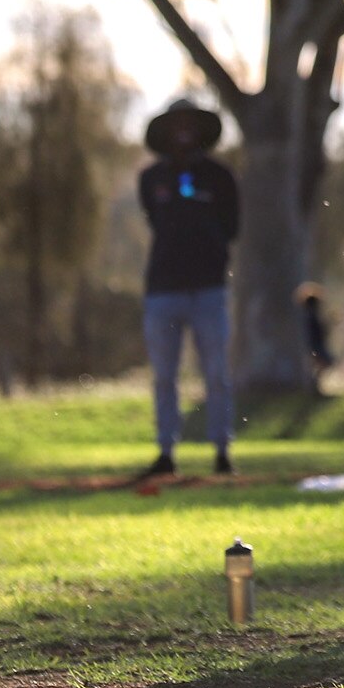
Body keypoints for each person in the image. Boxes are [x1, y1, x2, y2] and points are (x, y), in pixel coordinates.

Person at [135, 99, 240, 481]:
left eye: (189, 123)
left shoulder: (220, 177)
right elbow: (154, 219)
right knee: (164, 376)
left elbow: (231, 227)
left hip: (209, 290)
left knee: (216, 373)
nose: (182, 130)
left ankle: (222, 451)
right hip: (163, 290)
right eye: (174, 123)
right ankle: (166, 452)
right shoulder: (151, 179)